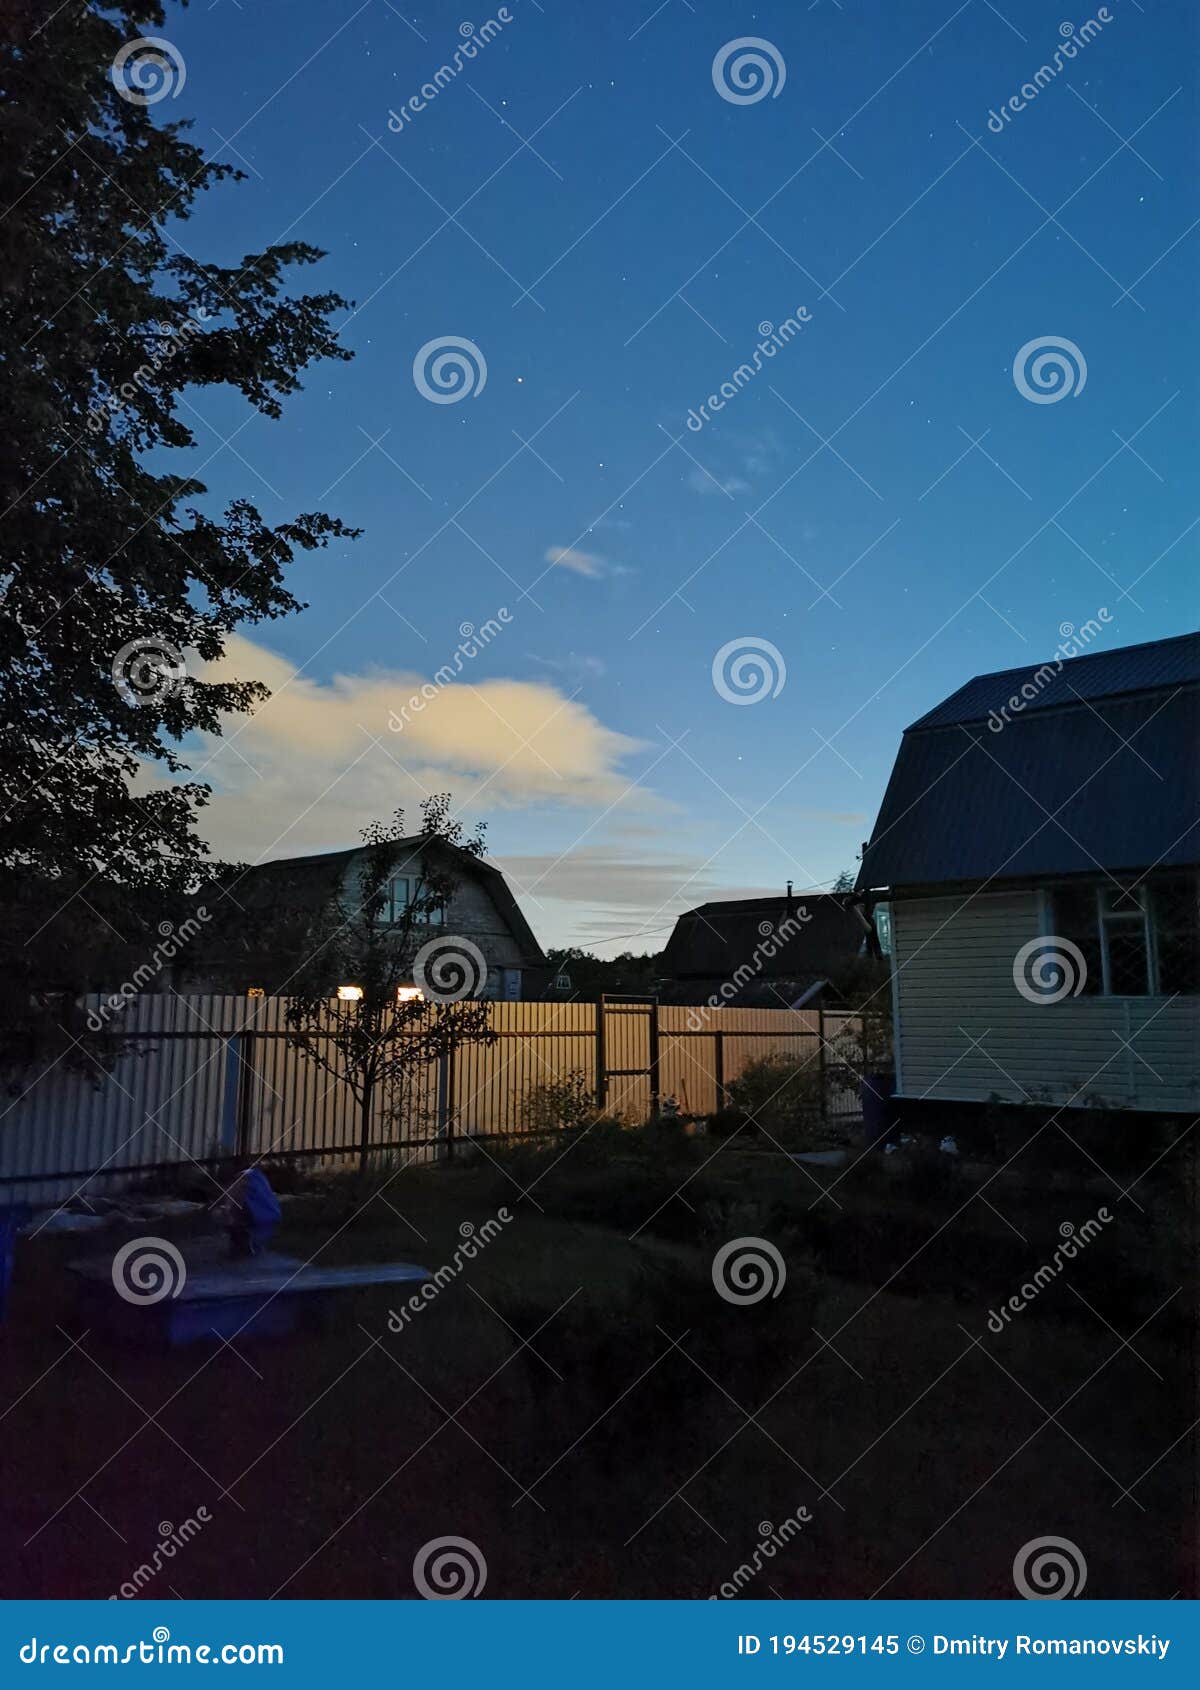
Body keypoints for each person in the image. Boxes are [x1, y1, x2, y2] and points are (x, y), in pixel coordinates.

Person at [217, 1162, 282, 1258]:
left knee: (223, 1215)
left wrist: (228, 1213)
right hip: (271, 1216)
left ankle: (242, 1247)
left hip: (257, 1218)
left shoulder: (240, 1181)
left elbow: (232, 1202)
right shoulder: (257, 1176)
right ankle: (249, 1245)